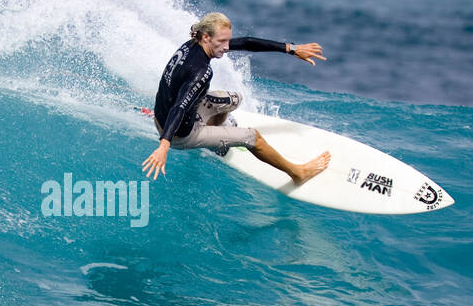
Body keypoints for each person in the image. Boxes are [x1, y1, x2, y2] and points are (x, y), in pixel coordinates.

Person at [142, 12, 331, 184]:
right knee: (252, 137)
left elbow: (247, 42)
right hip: (179, 134)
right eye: (222, 42)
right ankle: (298, 173)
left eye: (228, 41)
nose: (227, 47)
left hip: (163, 116)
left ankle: (214, 136)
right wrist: (164, 145)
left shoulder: (191, 44)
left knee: (235, 99)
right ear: (206, 37)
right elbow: (180, 108)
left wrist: (292, 49)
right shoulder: (201, 72)